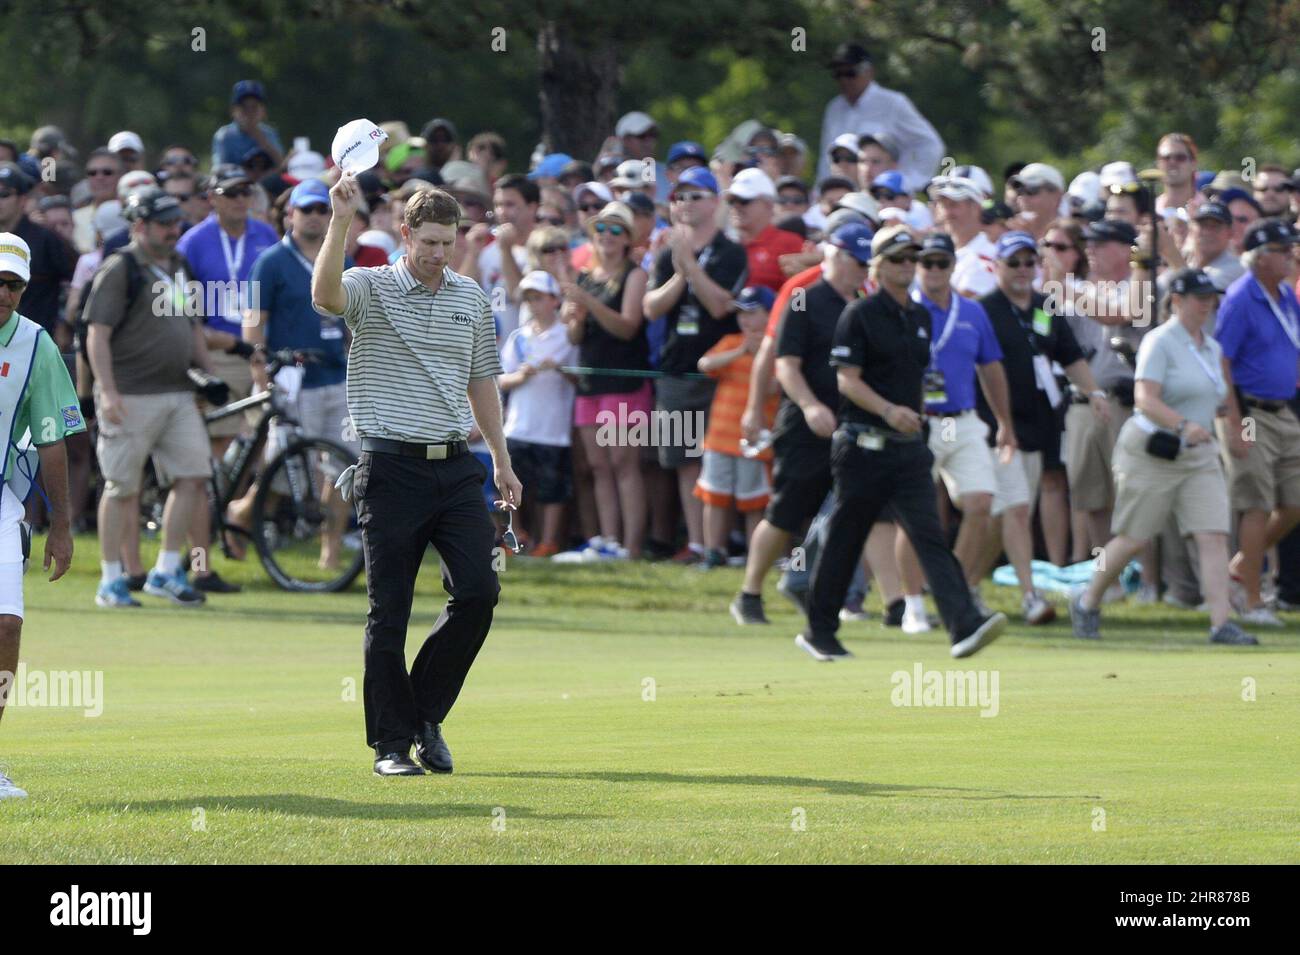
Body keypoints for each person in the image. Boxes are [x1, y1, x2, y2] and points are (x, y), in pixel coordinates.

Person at [312, 179, 519, 777]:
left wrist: (501, 461)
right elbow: (324, 295)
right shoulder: (371, 286)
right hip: (389, 468)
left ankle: (426, 713)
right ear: (405, 233)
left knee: (480, 591)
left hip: (456, 466)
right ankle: (392, 746)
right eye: (428, 241)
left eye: (448, 242)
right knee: (390, 612)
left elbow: (483, 380)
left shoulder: (470, 297)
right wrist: (340, 221)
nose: (438, 252)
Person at [799, 223, 1007, 661]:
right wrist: (889, 410)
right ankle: (819, 630)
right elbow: (847, 381)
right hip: (862, 446)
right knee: (846, 538)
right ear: (876, 265)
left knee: (929, 533)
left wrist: (913, 418)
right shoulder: (859, 314)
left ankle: (962, 623)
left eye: (911, 258)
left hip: (908, 447)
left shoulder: (917, 318)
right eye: (897, 259)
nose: (907, 266)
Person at [1070, 269, 1257, 645]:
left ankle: (1221, 623)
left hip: (1198, 455)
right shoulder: (1159, 341)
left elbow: (1218, 399)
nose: (1207, 304)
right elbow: (1145, 399)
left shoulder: (1212, 347)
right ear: (1176, 300)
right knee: (1132, 538)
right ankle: (1088, 599)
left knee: (1213, 535)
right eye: (1199, 297)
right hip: (1152, 451)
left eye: (1210, 298)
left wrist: (1236, 428)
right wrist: (1183, 423)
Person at [84, 188, 219, 609]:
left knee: (194, 475)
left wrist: (207, 375)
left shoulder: (179, 264)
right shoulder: (121, 267)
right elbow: (97, 334)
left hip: (178, 392)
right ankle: (111, 579)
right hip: (130, 394)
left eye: (176, 222)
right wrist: (106, 391)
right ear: (139, 226)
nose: (172, 229)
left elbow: (192, 325)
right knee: (122, 486)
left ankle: (165, 569)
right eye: (164, 223)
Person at [730, 224, 870, 625]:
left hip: (850, 423)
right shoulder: (804, 300)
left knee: (847, 508)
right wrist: (809, 406)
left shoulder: (863, 302)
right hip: (804, 423)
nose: (864, 270)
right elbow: (785, 366)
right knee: (786, 512)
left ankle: (807, 582)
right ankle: (749, 593)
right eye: (859, 262)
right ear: (837, 256)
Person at [975, 231, 1106, 624]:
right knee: (1015, 510)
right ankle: (1031, 596)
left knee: (1007, 516)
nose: (1021, 270)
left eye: (1028, 262)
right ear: (996, 265)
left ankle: (962, 585)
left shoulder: (1044, 305)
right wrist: (998, 423)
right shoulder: (984, 310)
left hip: (1040, 422)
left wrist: (1094, 392)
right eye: (1013, 262)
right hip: (996, 426)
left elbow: (1068, 355)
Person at [894, 233, 1016, 634]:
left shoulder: (973, 311)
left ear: (952, 266)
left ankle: (955, 596)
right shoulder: (903, 308)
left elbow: (992, 367)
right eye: (925, 262)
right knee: (916, 514)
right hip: (918, 419)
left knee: (981, 503)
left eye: (941, 263)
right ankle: (912, 604)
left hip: (962, 419)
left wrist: (1005, 423)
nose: (933, 270)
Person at [0, 233, 81, 800]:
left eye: (12, 284)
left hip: (2, 500)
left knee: (6, 625)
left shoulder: (36, 344)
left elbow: (53, 440)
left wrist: (62, 523)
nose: (2, 293)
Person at [239, 178, 357, 567]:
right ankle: (239, 517)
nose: (315, 216)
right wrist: (261, 370)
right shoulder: (271, 261)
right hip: (292, 380)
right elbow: (254, 320)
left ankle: (331, 553)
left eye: (322, 209)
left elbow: (357, 321)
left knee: (342, 468)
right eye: (307, 209)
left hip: (337, 377)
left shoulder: (344, 257)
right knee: (284, 469)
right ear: (290, 214)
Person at [644, 167, 748, 563]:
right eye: (680, 196)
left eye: (696, 195)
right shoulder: (669, 251)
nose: (686, 203)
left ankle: (721, 544)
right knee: (684, 460)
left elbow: (720, 304)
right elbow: (651, 308)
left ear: (715, 202)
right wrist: (681, 269)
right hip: (677, 370)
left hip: (722, 371)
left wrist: (691, 266)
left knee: (720, 457)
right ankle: (700, 544)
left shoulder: (730, 250)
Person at [1215, 219, 1300, 626]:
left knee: (1294, 502)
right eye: (1283, 250)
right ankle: (1250, 601)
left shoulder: (1284, 295)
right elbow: (1221, 359)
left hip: (1283, 410)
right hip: (1248, 412)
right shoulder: (1240, 297)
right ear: (1261, 256)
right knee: (1255, 504)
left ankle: (1238, 568)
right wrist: (1232, 418)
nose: (1290, 255)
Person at [556, 201, 649, 562]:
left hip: (624, 383)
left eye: (615, 230)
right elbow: (577, 338)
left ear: (627, 239)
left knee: (624, 464)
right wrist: (574, 317)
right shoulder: (585, 278)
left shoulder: (634, 275)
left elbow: (627, 327)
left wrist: (588, 304)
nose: (606, 237)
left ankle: (632, 546)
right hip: (591, 384)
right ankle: (609, 540)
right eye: (601, 230)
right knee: (597, 466)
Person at [693, 286, 781, 569]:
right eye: (742, 313)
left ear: (770, 314)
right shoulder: (732, 341)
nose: (745, 320)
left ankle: (757, 556)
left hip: (755, 438)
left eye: (753, 312)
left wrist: (760, 355)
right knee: (714, 497)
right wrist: (742, 350)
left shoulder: (779, 349)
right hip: (720, 437)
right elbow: (704, 363)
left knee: (754, 501)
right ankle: (713, 552)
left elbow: (774, 388)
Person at [499, 270, 579, 558]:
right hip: (518, 425)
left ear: (554, 300)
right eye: (529, 298)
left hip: (553, 428)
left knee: (552, 489)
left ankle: (547, 541)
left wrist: (559, 369)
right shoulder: (519, 337)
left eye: (539, 297)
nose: (533, 303)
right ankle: (514, 536)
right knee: (511, 486)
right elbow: (501, 379)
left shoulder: (567, 336)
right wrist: (522, 375)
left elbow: (579, 379)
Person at [817, 42, 944, 192]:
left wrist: (905, 182)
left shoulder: (893, 103)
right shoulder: (834, 108)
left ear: (869, 72)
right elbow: (826, 160)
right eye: (838, 74)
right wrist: (820, 192)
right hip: (843, 196)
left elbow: (929, 144)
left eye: (850, 73)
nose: (844, 80)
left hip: (883, 197)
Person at [724, 169, 803, 293]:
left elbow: (800, 302)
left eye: (744, 200)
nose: (736, 206)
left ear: (768, 204)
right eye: (732, 201)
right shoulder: (724, 245)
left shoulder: (790, 243)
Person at [930, 175, 998, 298]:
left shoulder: (986, 254)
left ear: (976, 208)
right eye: (943, 206)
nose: (947, 213)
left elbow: (964, 304)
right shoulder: (939, 250)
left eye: (954, 205)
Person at [212, 80, 284, 169]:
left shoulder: (269, 133)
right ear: (233, 111)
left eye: (254, 107)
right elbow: (218, 168)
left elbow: (281, 166)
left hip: (266, 182)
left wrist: (261, 139)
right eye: (244, 107)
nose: (249, 112)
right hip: (234, 181)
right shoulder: (224, 135)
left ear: (263, 111)